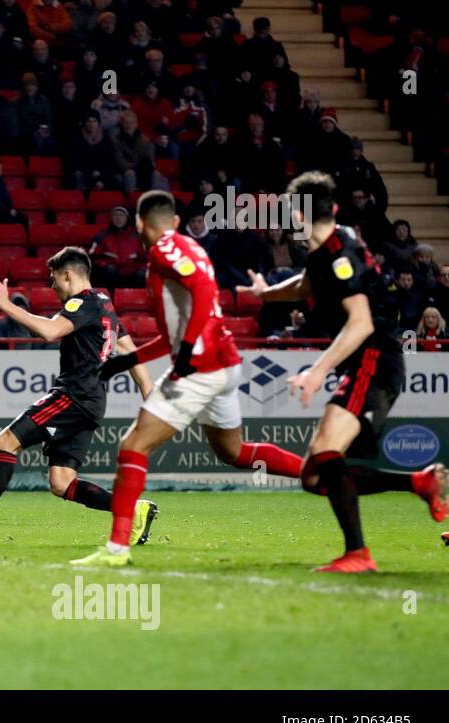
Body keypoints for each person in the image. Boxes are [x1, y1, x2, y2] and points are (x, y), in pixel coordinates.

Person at [73, 191, 307, 567]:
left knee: (133, 445)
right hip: (224, 363)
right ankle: (318, 473)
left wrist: (187, 352)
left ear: (139, 224)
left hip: (202, 366)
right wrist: (129, 359)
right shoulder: (187, 248)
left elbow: (201, 292)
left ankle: (116, 548)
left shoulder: (165, 249)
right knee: (233, 452)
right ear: (177, 222)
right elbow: (173, 333)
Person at [236, 172, 449, 572]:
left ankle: (358, 554)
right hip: (366, 361)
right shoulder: (330, 247)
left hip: (375, 358)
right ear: (332, 209)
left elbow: (361, 323)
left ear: (298, 215)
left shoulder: (339, 256)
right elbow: (306, 285)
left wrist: (317, 370)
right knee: (316, 476)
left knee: (324, 455)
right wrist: (266, 292)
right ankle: (418, 483)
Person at [0, 249, 155, 544]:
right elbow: (130, 352)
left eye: (53, 280)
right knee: (61, 483)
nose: (52, 287)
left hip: (73, 396)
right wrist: (150, 395)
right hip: (92, 401)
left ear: (68, 275)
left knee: (5, 441)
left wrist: (5, 305)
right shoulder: (106, 306)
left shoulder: (83, 302)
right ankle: (133, 510)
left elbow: (50, 332)